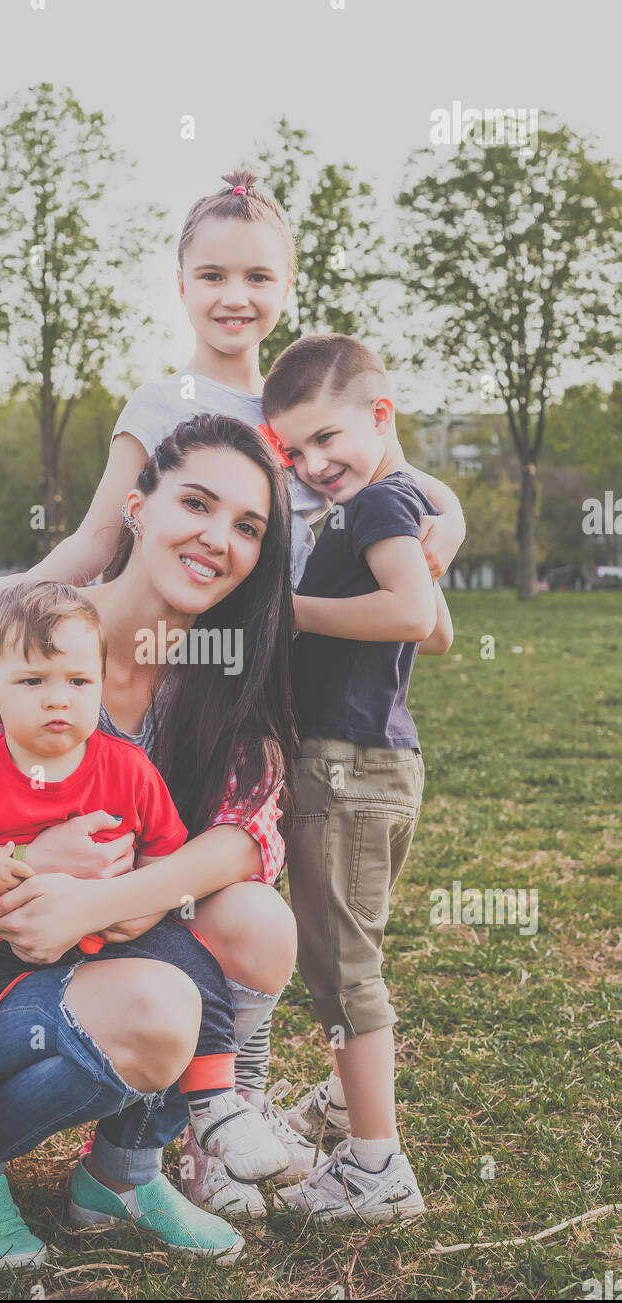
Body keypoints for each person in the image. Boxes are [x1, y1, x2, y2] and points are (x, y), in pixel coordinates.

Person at [0, 168, 467, 1210]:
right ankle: (160, 1119)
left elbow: (407, 488)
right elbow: (103, 533)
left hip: (270, 698)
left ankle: (225, 1111)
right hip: (179, 681)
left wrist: (450, 518)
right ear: (181, 283)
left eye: (255, 274)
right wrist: (14, 599)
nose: (232, 294)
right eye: (211, 274)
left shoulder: (299, 400)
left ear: (286, 283)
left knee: (256, 908)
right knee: (166, 883)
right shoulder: (164, 404)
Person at [0, 413, 299, 1265]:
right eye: (195, 503)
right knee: (160, 1010)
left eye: (247, 527)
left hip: (104, 941)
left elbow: (250, 833)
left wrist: (106, 898)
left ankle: (121, 1176)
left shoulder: (224, 668)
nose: (217, 539)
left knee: (259, 924)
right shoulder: (15, 626)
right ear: (137, 506)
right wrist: (14, 870)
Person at [259, 333, 455, 1223]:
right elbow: (438, 630)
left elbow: (414, 614)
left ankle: (376, 1170)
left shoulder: (378, 503)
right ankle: (344, 1107)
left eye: (327, 439)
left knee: (341, 971)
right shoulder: (397, 503)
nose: (313, 463)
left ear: (380, 416)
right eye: (295, 451)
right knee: (348, 953)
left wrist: (285, 613)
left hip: (343, 767)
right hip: (384, 764)